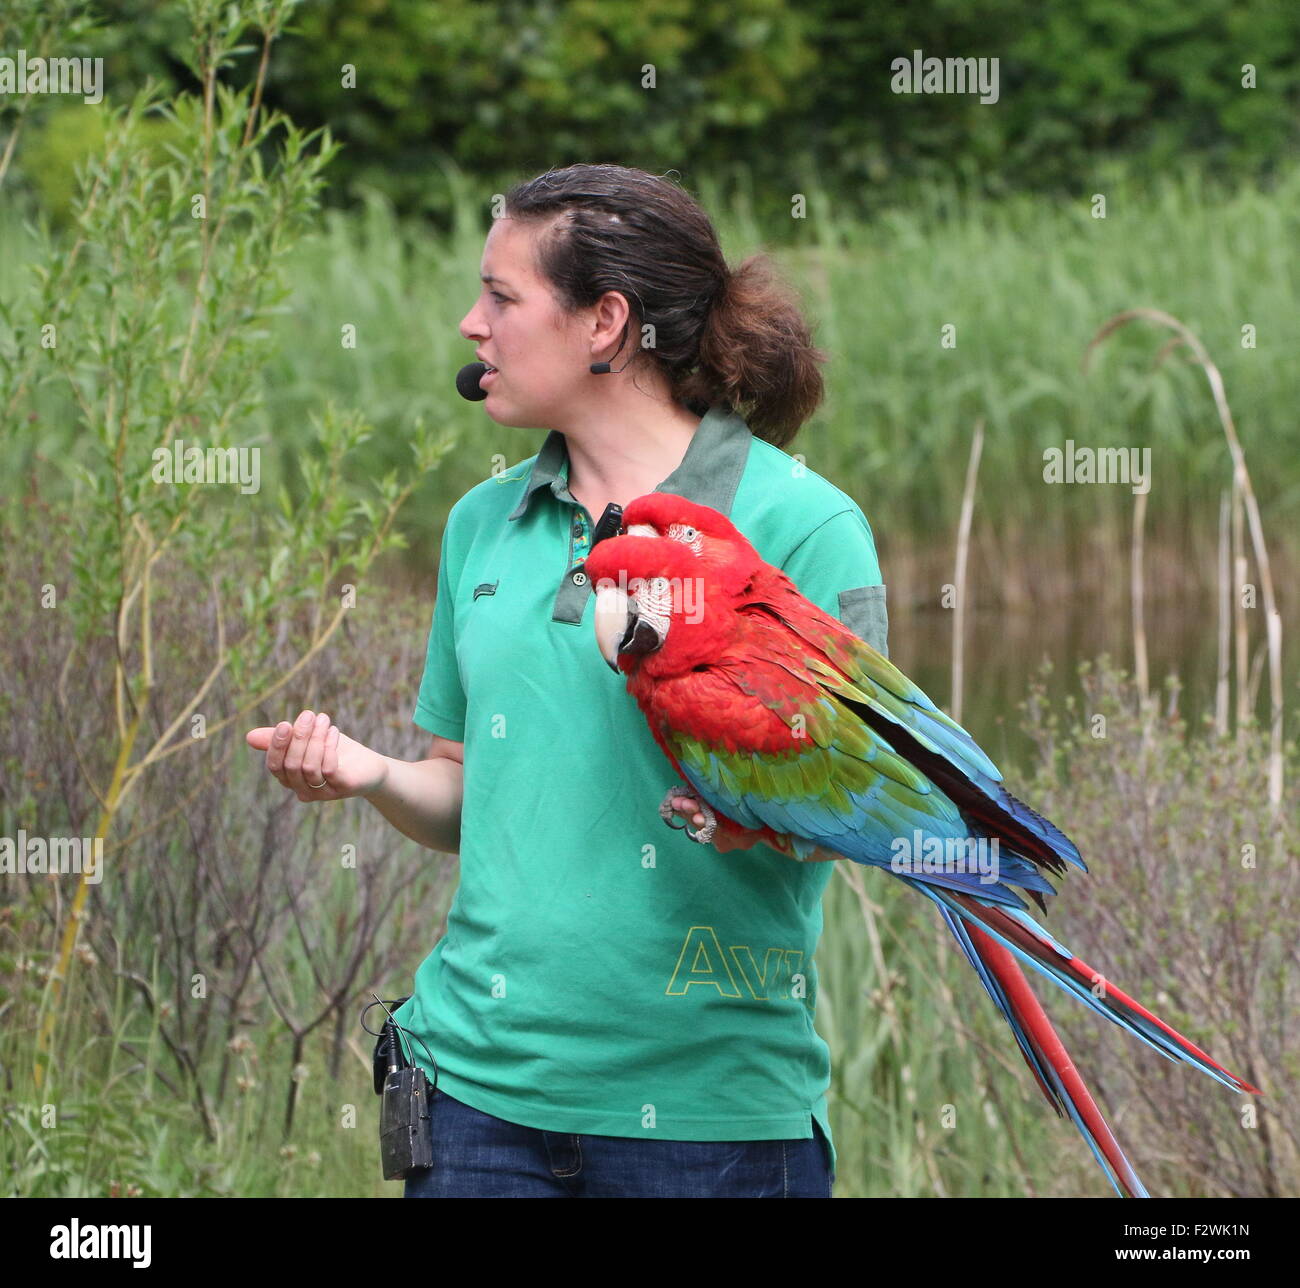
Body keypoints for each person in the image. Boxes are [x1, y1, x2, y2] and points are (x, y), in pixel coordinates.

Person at [247, 163, 889, 1198]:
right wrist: (369, 774)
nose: (470, 324)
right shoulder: (480, 524)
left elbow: (852, 805)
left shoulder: (802, 525)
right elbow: (469, 799)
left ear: (606, 323)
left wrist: (750, 817)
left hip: (709, 1122)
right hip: (475, 1110)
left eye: (501, 297)